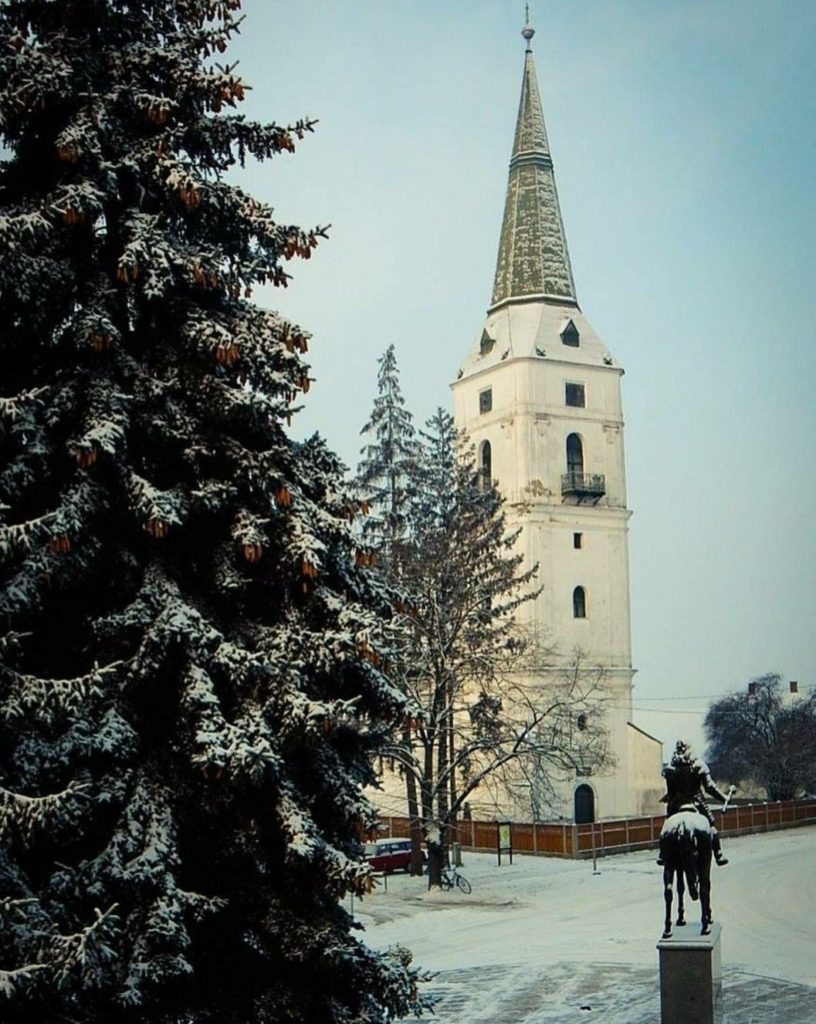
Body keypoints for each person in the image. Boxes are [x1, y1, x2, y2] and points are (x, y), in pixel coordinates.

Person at [657, 740, 731, 866]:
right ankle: (718, 854)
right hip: (697, 802)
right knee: (711, 825)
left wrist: (669, 799)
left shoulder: (670, 768)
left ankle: (662, 854)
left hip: (677, 804)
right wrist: (724, 798)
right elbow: (710, 788)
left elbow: (671, 793)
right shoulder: (699, 765)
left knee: (667, 826)